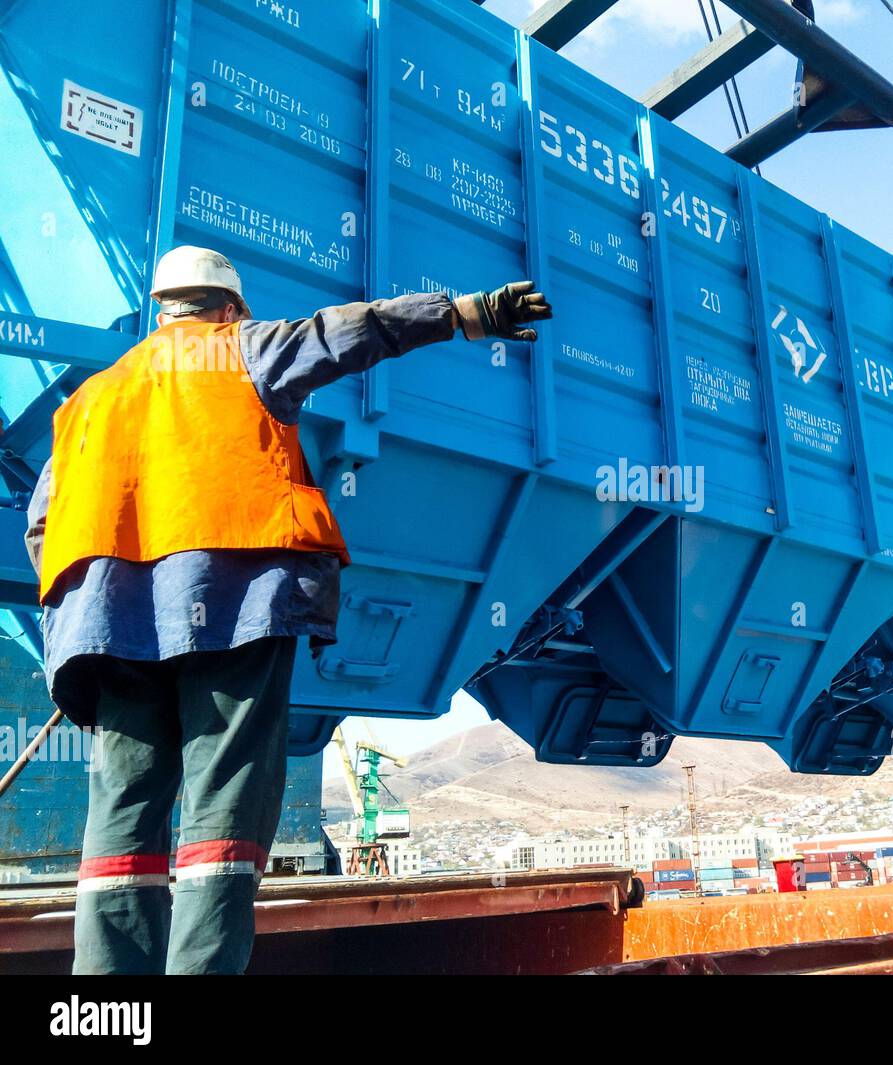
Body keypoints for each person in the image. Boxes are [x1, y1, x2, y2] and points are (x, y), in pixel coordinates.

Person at [23, 245, 552, 973]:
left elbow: (42, 527)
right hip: (231, 601)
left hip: (107, 627)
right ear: (229, 307)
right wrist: (467, 313)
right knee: (224, 799)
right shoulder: (240, 348)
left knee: (121, 811)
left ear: (161, 308)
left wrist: (91, 610)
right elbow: (350, 332)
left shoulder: (89, 400)